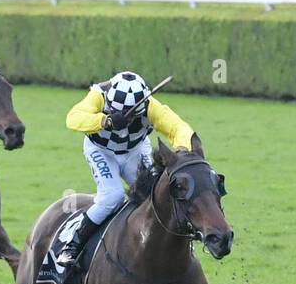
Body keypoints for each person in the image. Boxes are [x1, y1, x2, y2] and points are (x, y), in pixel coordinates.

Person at [57, 71, 194, 266]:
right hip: (101, 151)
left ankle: (177, 245)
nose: (128, 122)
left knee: (155, 195)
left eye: (132, 117)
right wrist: (105, 120)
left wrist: (182, 147)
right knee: (112, 197)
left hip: (135, 150)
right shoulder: (98, 94)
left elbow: (178, 128)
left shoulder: (150, 105)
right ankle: (72, 246)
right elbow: (73, 118)